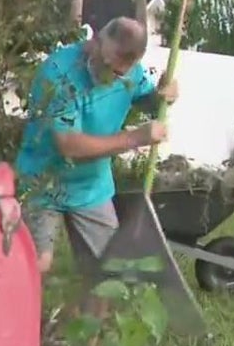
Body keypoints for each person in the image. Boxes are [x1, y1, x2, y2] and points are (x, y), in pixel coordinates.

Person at [16, 16, 178, 320]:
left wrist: (162, 96)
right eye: (104, 62)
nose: (108, 74)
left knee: (106, 273)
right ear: (97, 41)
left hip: (91, 187)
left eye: (117, 72)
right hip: (43, 181)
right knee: (36, 264)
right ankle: (16, 330)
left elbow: (145, 99)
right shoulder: (58, 74)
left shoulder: (131, 73)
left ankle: (85, 336)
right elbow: (69, 146)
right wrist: (135, 138)